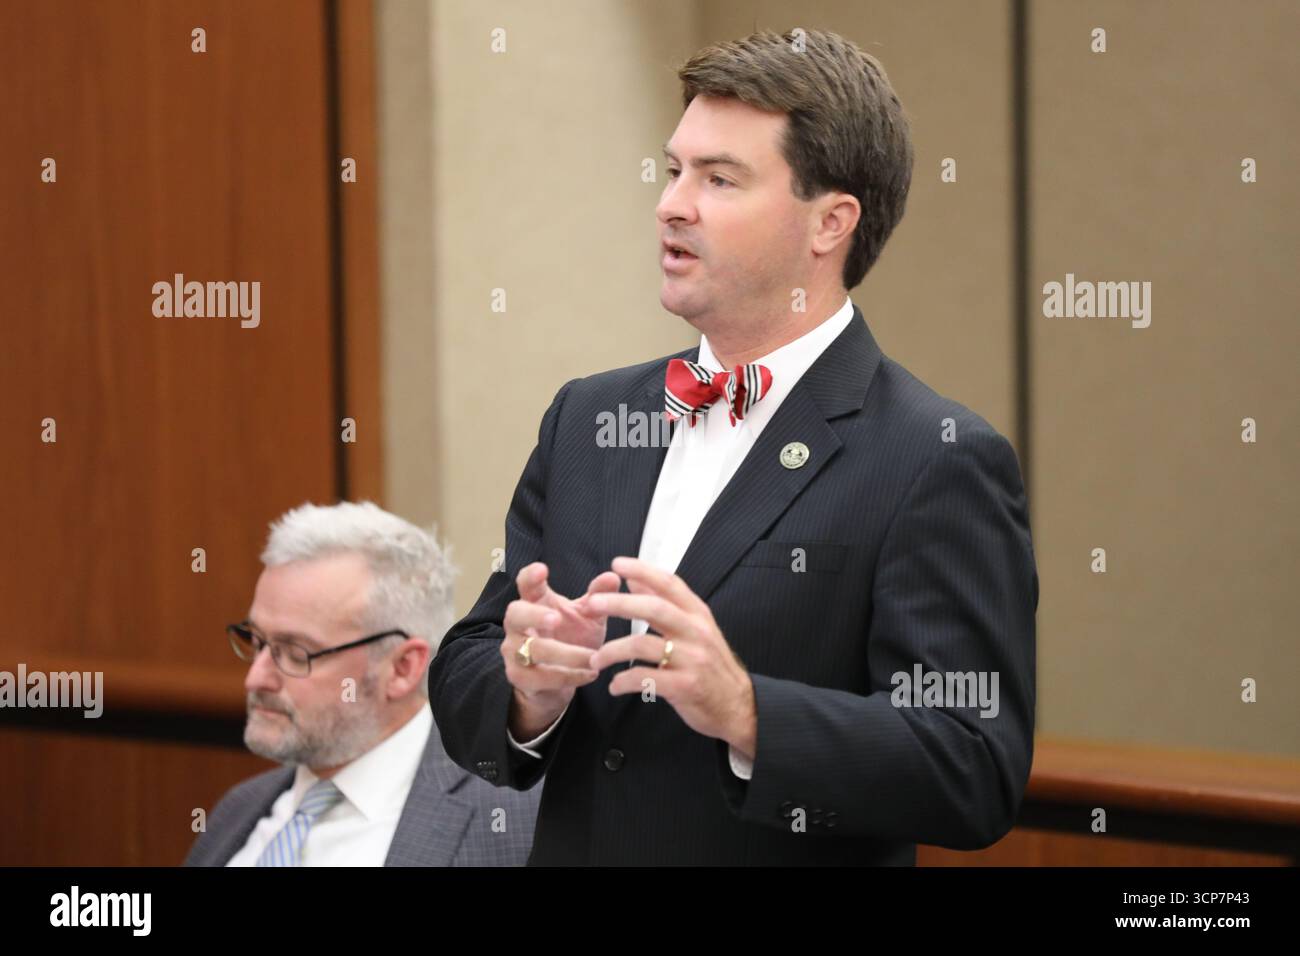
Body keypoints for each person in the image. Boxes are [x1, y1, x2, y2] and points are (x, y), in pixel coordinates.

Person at [429, 29, 1037, 865]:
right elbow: (468, 664)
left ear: (830, 223)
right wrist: (530, 690)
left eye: (719, 179)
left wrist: (748, 711)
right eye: (675, 169)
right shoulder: (588, 416)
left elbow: (974, 767)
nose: (672, 203)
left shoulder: (935, 457)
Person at [184, 501, 538, 866]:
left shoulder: (512, 824)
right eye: (255, 640)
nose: (255, 677)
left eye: (294, 652)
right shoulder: (239, 809)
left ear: (402, 668)